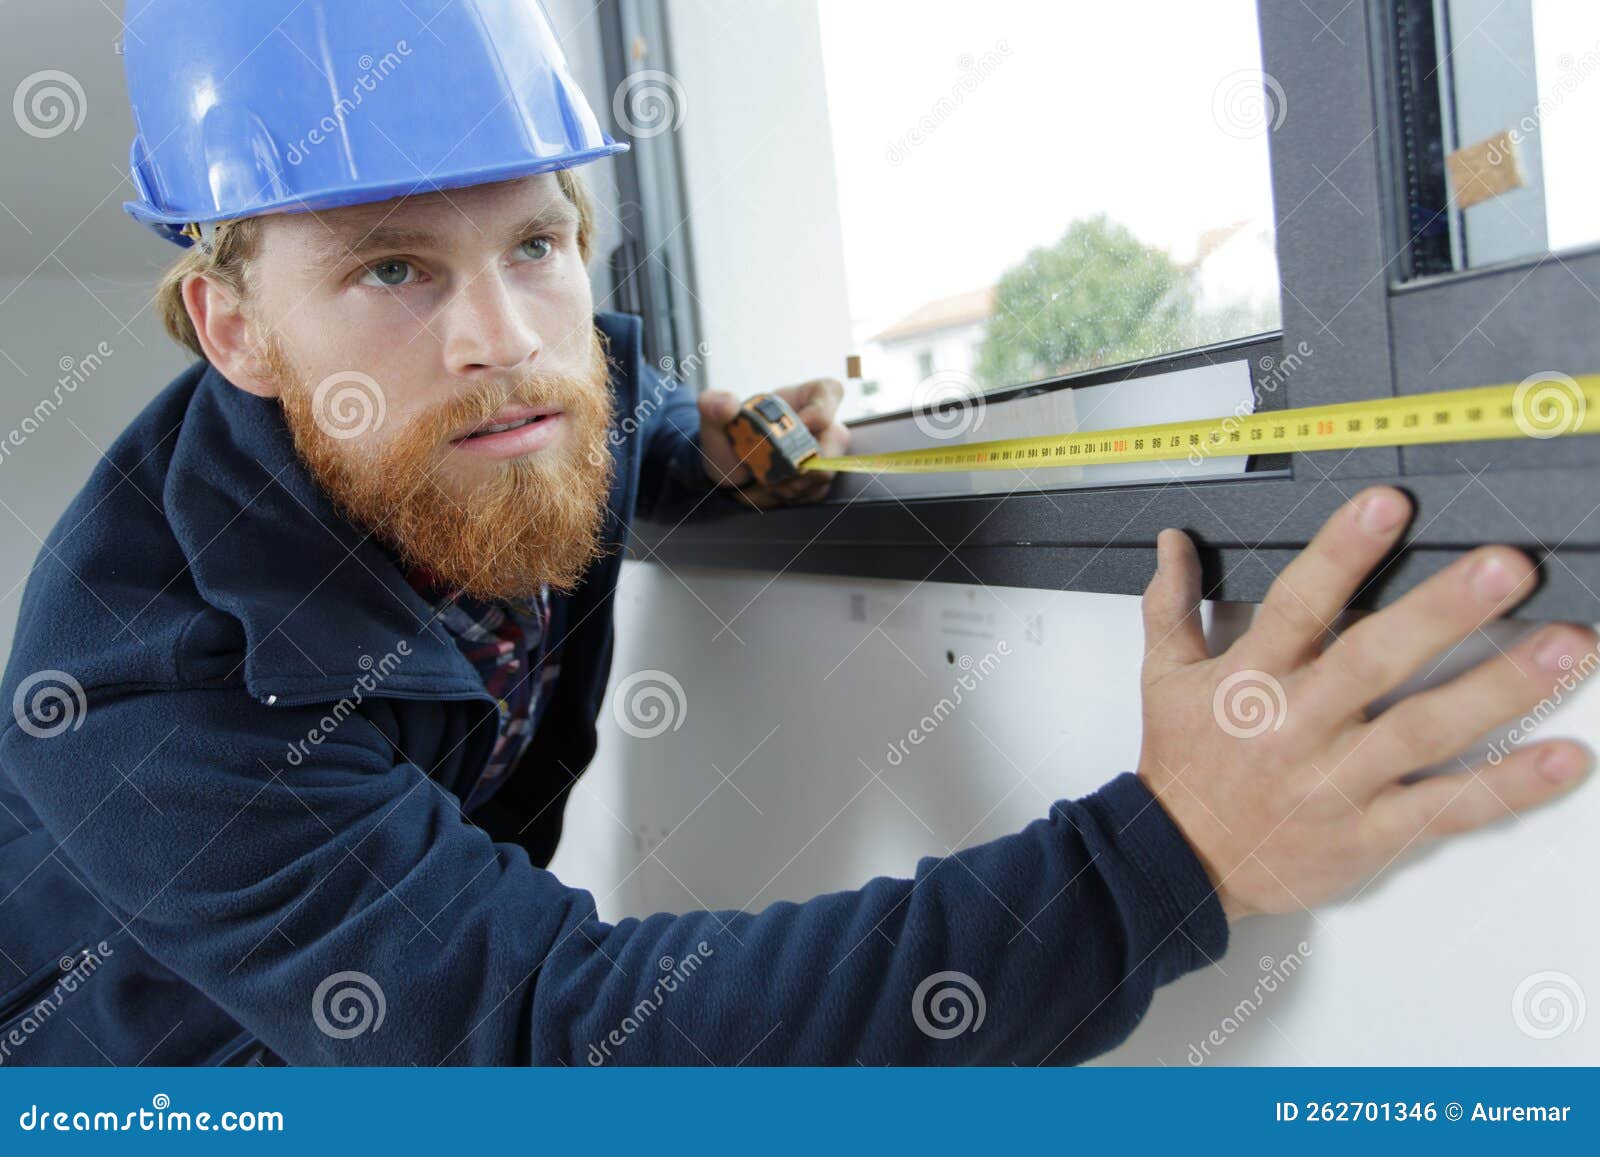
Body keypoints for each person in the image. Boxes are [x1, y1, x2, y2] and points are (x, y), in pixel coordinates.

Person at [0, 0, 1591, 1066]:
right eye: (390, 269)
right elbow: (560, 1038)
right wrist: (1167, 858)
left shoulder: (550, 385)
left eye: (539, 240)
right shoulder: (146, 698)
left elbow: (632, 406)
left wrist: (716, 447)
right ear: (234, 329)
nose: (507, 336)